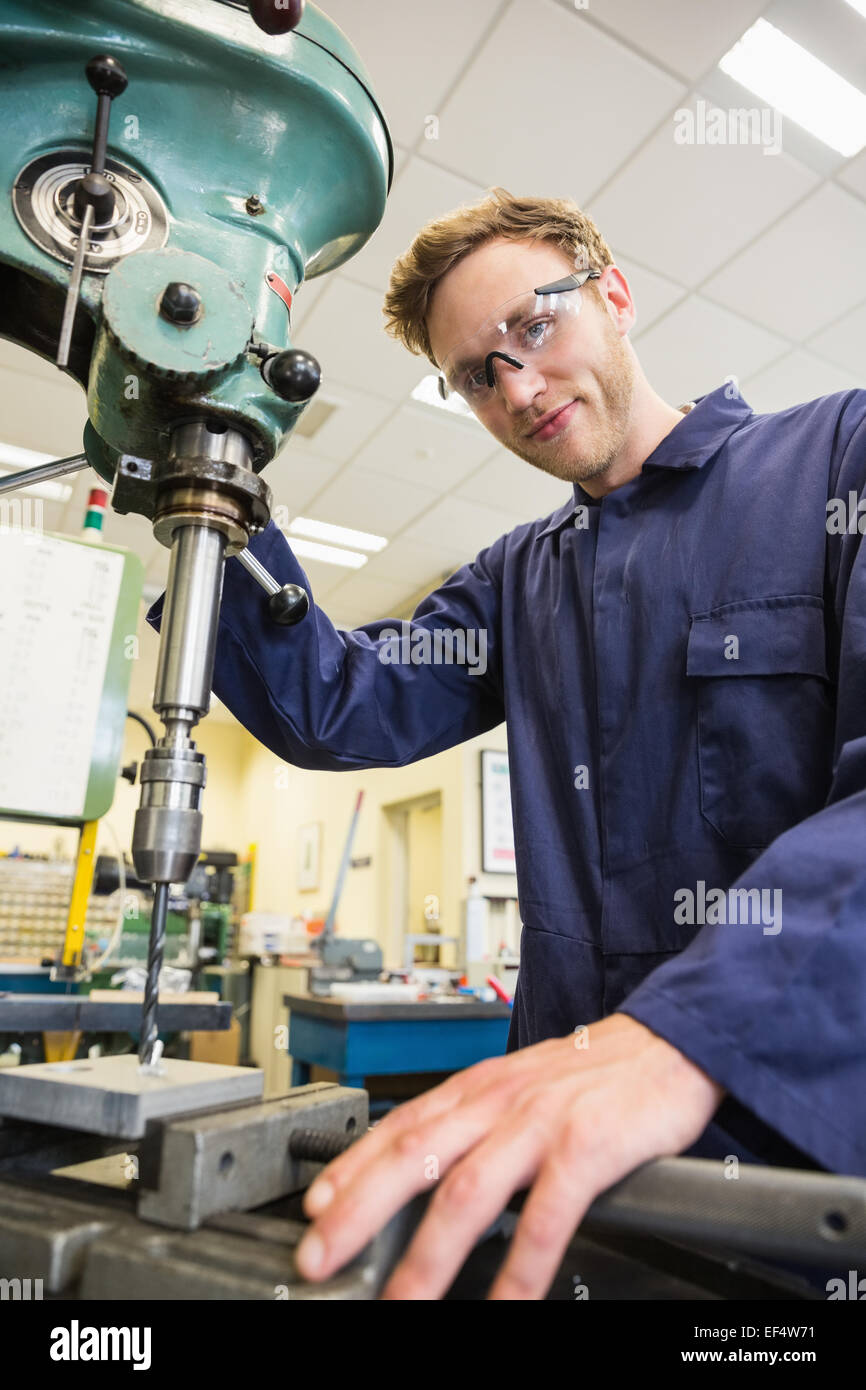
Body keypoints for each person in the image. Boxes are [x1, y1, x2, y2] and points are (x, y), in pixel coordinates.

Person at [148, 187, 866, 1300]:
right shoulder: (517, 581)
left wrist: (692, 1032)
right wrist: (215, 502)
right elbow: (340, 703)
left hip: (798, 1173)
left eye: (532, 328)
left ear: (612, 293)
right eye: (476, 375)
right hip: (564, 1187)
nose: (517, 387)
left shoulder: (834, 462)